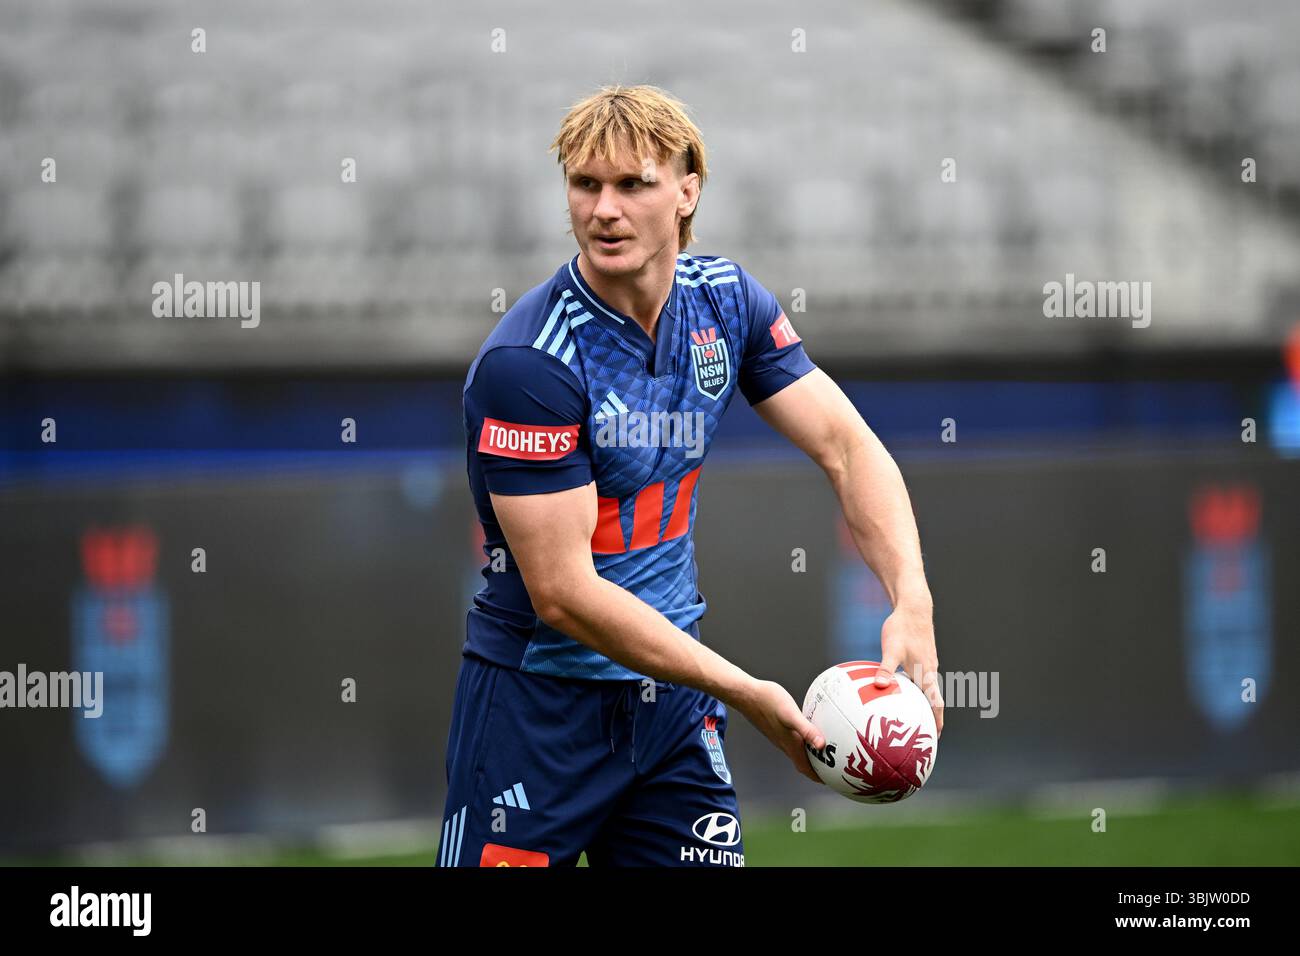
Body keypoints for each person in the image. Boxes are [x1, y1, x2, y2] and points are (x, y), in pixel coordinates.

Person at [437, 85, 940, 867]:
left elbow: (849, 446)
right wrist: (744, 690)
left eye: (632, 184)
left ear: (686, 190)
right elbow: (563, 595)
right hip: (537, 714)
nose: (604, 210)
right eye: (585, 184)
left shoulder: (726, 304)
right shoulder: (529, 366)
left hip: (671, 713)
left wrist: (911, 597)